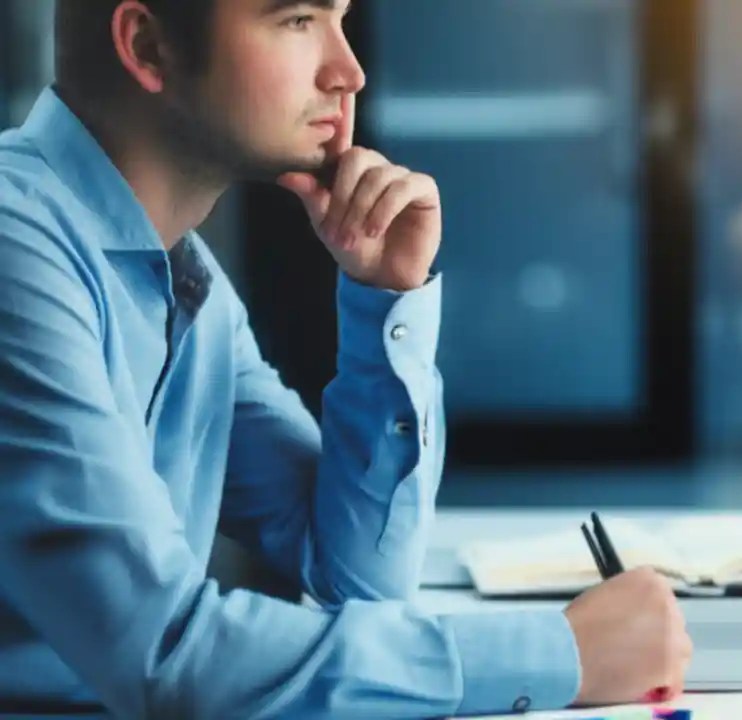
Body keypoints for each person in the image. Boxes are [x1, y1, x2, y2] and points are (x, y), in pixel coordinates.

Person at [0, 0, 692, 717]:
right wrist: (561, 654)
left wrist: (385, 297)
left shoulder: (182, 279)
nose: (348, 71)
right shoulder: (16, 254)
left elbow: (357, 579)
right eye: (298, 20)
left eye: (339, 18)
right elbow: (169, 654)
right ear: (147, 45)